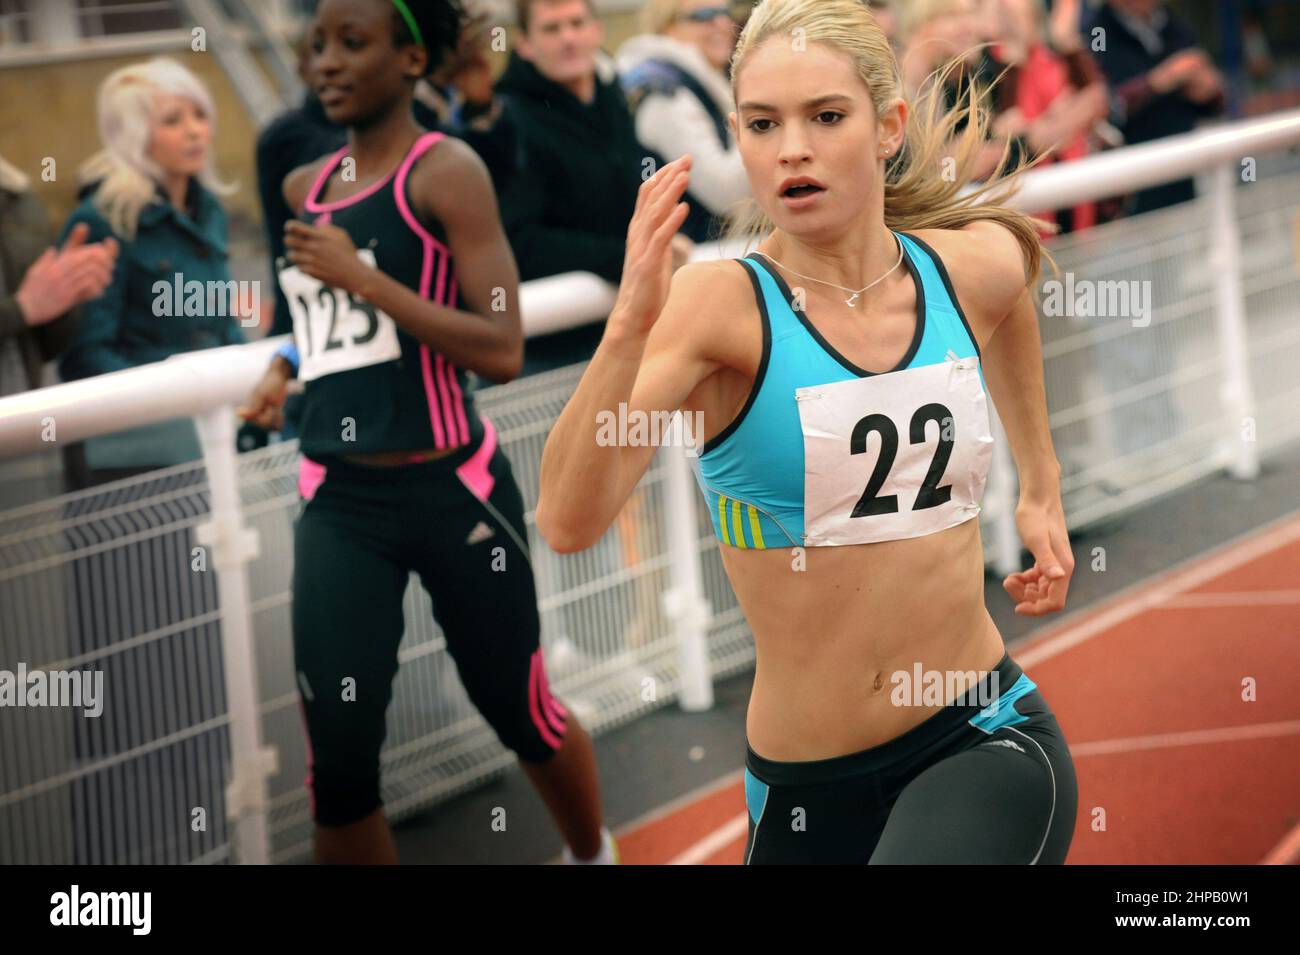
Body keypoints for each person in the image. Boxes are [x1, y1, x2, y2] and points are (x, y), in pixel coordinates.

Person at [538, 0, 1078, 864]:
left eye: (826, 117)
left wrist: (1042, 485)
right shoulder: (721, 312)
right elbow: (568, 519)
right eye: (762, 124)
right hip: (799, 786)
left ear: (888, 125)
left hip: (980, 737)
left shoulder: (956, 267)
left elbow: (1014, 285)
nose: (792, 147)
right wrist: (627, 325)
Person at [238, 0, 613, 865]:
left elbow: (502, 344)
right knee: (337, 767)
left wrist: (362, 282)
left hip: (455, 489)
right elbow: (321, 315)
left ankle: (594, 856)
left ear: (411, 59)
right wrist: (283, 364)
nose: (325, 62)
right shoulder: (304, 187)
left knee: (522, 710)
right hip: (339, 498)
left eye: (352, 44)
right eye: (317, 45)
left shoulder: (447, 172)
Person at [58, 56, 247, 485]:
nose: (195, 130)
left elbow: (224, 320)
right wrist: (170, 399)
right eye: (173, 120)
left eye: (200, 114)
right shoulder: (104, 219)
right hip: (134, 454)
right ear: (135, 135)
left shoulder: (208, 208)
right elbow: (85, 355)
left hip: (212, 433)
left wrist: (247, 384)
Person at [494, 0, 692, 374]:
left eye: (576, 23)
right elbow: (518, 243)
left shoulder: (610, 99)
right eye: (552, 29)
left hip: (628, 324)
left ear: (596, 30)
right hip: (552, 349)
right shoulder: (508, 121)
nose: (568, 38)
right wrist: (628, 256)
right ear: (524, 43)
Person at [0, 154, 118, 507]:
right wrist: (22, 309)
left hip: (21, 441)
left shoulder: (16, 197)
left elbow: (44, 344)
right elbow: (25, 309)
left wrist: (65, 297)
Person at [618, 0, 749, 243]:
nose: (720, 24)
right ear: (667, 27)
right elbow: (727, 195)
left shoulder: (705, 77)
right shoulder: (664, 93)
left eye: (724, 13)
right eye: (704, 15)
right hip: (695, 256)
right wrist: (755, 120)